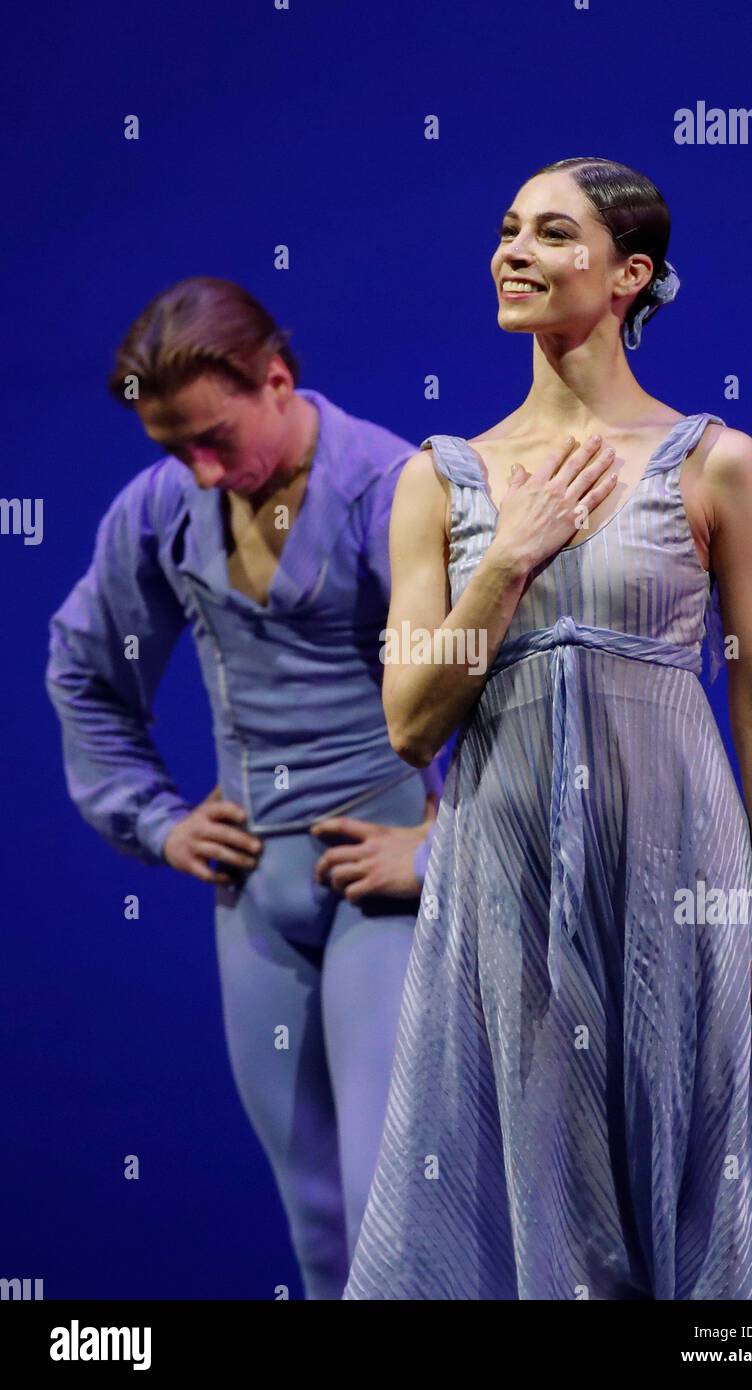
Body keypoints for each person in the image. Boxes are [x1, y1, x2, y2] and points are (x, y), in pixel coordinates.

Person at [343, 157, 752, 1301]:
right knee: (531, 1184)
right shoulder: (437, 479)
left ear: (626, 275)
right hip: (504, 873)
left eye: (551, 234)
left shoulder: (715, 464)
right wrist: (506, 558)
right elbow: (410, 721)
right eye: (506, 230)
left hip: (669, 870)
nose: (512, 252)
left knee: (691, 1189)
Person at [45, 277, 449, 1299]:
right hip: (256, 901)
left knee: (387, 1212)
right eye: (172, 446)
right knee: (315, 1225)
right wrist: (157, 820)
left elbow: (510, 691)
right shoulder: (168, 505)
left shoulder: (392, 487)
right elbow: (85, 668)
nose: (201, 466)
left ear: (278, 379)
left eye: (215, 437)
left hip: (382, 895)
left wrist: (443, 848)